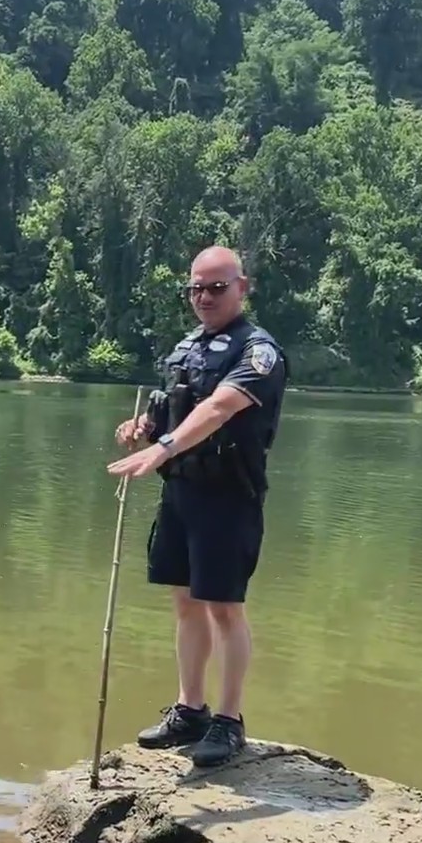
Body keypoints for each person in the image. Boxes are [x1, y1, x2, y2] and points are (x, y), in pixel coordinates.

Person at [106, 246, 287, 768]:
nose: (204, 298)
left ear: (242, 288)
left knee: (225, 608)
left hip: (229, 498)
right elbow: (177, 410)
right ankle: (191, 709)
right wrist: (144, 431)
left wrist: (161, 448)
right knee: (185, 602)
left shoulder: (258, 352)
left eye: (216, 287)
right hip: (182, 493)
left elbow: (219, 408)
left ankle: (229, 722)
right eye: (196, 289)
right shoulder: (189, 347)